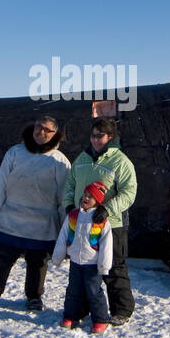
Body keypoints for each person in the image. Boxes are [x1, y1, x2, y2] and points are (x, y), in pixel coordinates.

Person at [0, 115, 71, 313]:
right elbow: (1, 184)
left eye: (47, 129)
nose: (42, 132)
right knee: (0, 261)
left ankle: (34, 297)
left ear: (55, 134)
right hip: (12, 218)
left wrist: (64, 227)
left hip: (42, 223)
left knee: (37, 263)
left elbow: (65, 196)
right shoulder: (15, 153)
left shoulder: (59, 161)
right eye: (39, 127)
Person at [60, 117, 137, 324]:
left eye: (100, 136)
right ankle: (83, 308)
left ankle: (121, 310)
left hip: (111, 224)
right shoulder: (82, 159)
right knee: (85, 266)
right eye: (93, 136)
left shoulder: (120, 161)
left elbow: (129, 193)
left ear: (110, 137)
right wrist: (69, 205)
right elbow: (70, 184)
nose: (95, 140)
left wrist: (107, 208)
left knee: (113, 267)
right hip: (83, 222)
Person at [51, 180, 112, 333]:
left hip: (92, 263)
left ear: (97, 201)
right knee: (73, 290)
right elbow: (63, 236)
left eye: (90, 196)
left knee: (94, 292)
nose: (85, 198)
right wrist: (58, 256)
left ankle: (100, 319)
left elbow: (106, 244)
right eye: (85, 195)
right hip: (75, 262)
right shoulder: (73, 215)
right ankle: (71, 315)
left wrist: (104, 265)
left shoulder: (101, 220)